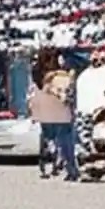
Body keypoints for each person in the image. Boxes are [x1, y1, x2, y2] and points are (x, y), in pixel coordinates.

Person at [29, 48, 78, 181]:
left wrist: (34, 112)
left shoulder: (38, 74)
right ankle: (70, 170)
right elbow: (69, 94)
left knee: (49, 139)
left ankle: (49, 166)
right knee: (66, 142)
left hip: (45, 112)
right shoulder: (63, 76)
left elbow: (35, 93)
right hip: (62, 112)